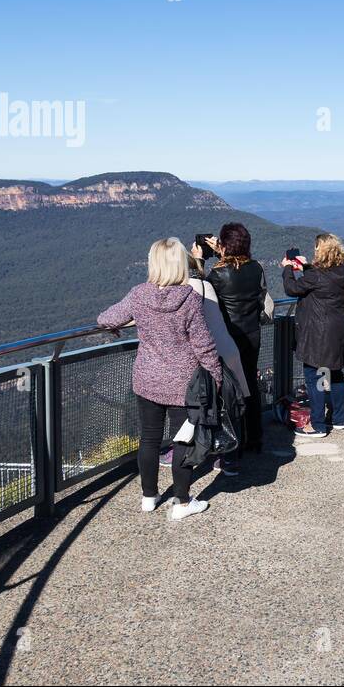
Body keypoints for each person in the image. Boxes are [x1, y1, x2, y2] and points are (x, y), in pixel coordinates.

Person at [98, 238, 222, 521]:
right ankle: (181, 502)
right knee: (183, 442)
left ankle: (149, 496)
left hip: (147, 380)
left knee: (149, 439)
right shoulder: (189, 298)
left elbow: (106, 317)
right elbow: (203, 344)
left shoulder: (139, 294)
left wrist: (114, 326)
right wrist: (214, 377)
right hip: (183, 383)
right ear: (180, 263)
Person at [205, 223, 268, 456]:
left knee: (229, 390)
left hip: (228, 338)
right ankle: (255, 437)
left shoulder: (218, 274)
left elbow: (201, 294)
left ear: (224, 244)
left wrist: (204, 259)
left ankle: (233, 440)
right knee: (250, 385)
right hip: (252, 335)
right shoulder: (257, 268)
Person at [282, 234, 344, 438]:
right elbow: (324, 280)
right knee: (336, 373)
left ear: (321, 251)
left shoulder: (317, 276)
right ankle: (339, 419)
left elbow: (291, 288)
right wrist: (306, 267)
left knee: (314, 378)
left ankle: (318, 425)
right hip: (340, 331)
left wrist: (288, 267)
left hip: (318, 335)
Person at [187, 244, 250, 476]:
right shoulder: (205, 285)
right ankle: (230, 456)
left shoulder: (183, 291)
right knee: (231, 404)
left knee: (206, 404)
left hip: (209, 354)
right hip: (228, 348)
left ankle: (201, 450)